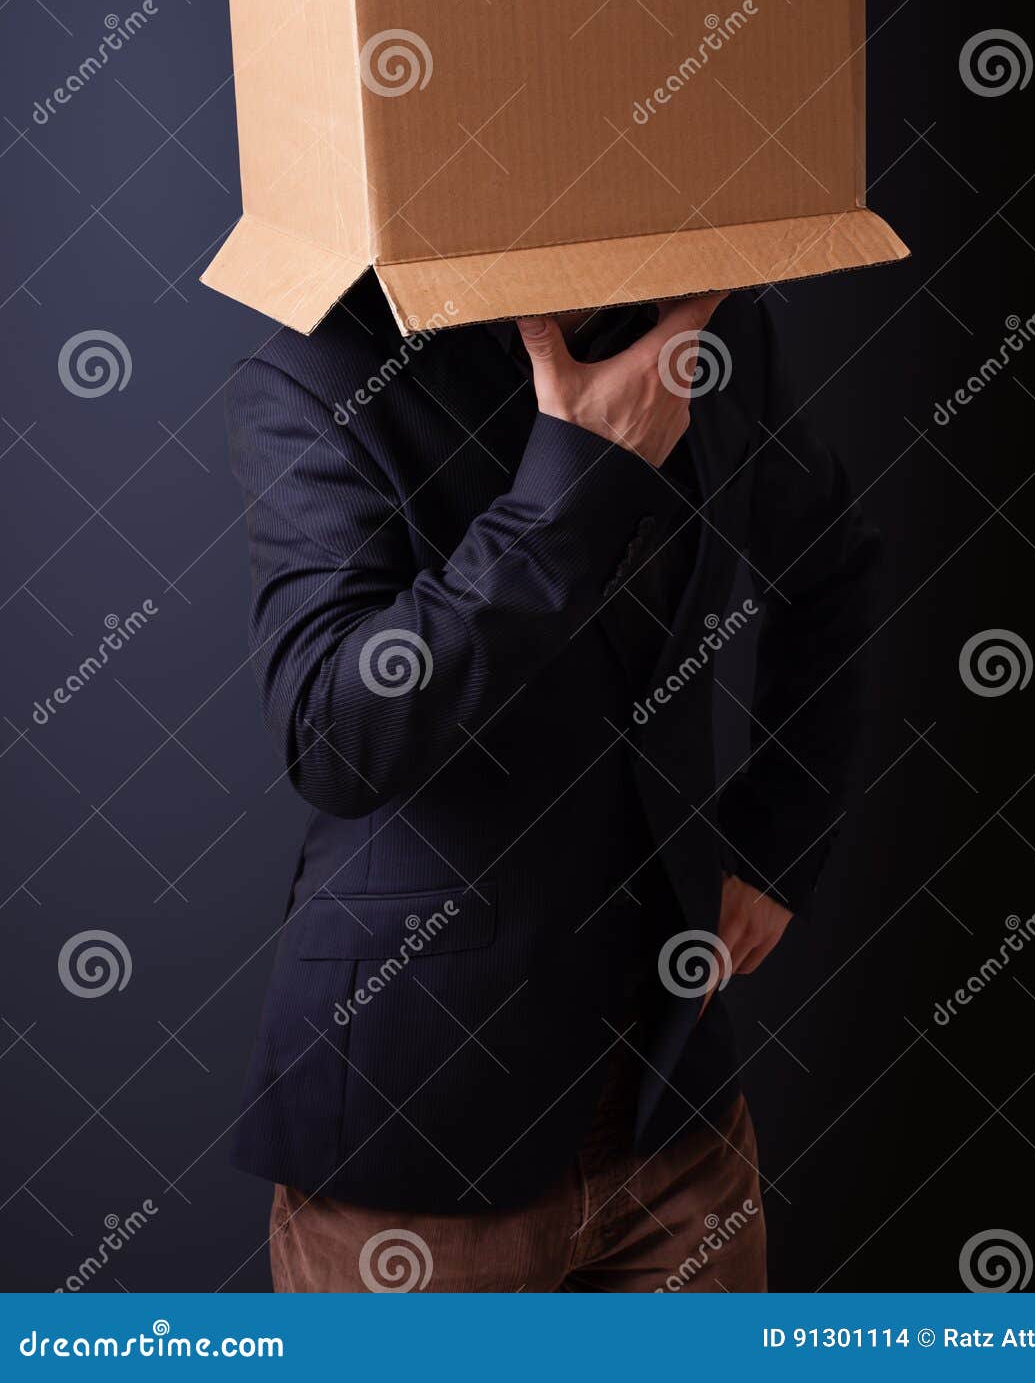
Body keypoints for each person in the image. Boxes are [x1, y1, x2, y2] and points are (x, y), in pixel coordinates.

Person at [225, 274, 879, 1292]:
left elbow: (831, 573)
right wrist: (574, 482)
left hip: (675, 1113)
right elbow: (335, 732)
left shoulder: (707, 319)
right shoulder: (329, 359)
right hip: (421, 1133)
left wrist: (775, 838)